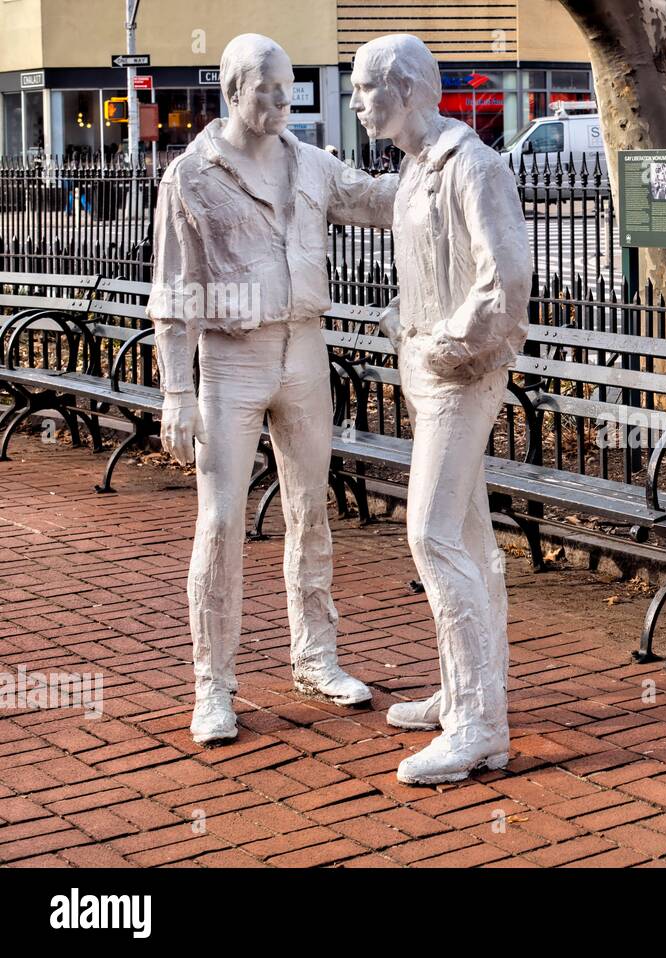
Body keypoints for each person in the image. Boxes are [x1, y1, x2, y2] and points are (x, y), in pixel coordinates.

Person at [147, 34, 398, 745]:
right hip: (231, 360)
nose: (284, 102)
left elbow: (378, 200)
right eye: (269, 90)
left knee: (309, 509)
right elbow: (173, 293)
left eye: (290, 89)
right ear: (234, 89)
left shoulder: (312, 162)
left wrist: (446, 165)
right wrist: (176, 391)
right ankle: (213, 686)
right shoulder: (191, 176)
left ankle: (316, 656)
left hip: (305, 353)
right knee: (222, 521)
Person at [350, 34, 531, 785]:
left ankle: (479, 726)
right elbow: (438, 269)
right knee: (469, 542)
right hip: (429, 372)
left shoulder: (475, 167)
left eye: (367, 89)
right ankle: (469, 694)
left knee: (429, 536)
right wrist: (407, 321)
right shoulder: (416, 171)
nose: (359, 103)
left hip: (462, 377)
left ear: (410, 88)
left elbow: (506, 281)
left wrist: (447, 345)